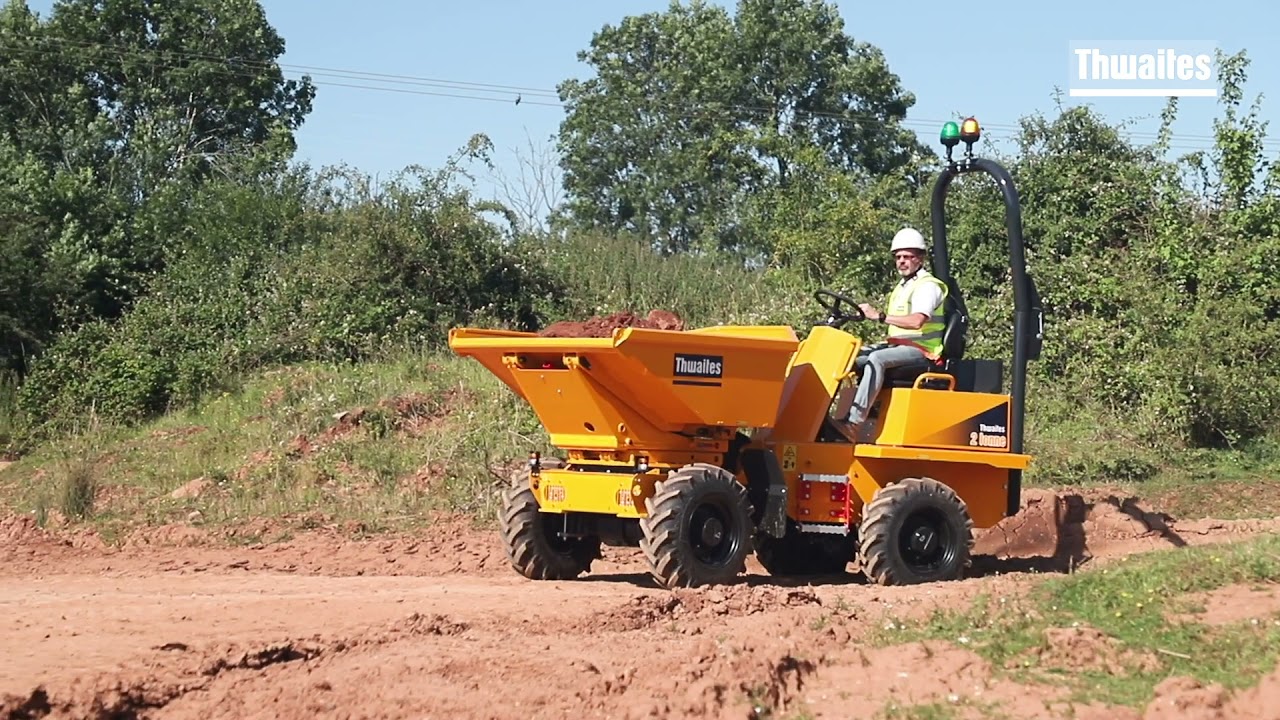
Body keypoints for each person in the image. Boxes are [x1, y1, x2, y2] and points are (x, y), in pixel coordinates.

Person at [836, 227, 948, 438]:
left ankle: (853, 423)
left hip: (923, 350)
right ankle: (826, 418)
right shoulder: (903, 286)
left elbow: (917, 321)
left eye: (907, 256)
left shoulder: (927, 286)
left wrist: (879, 316)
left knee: (877, 358)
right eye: (898, 257)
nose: (901, 261)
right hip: (898, 346)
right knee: (849, 358)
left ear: (920, 258)